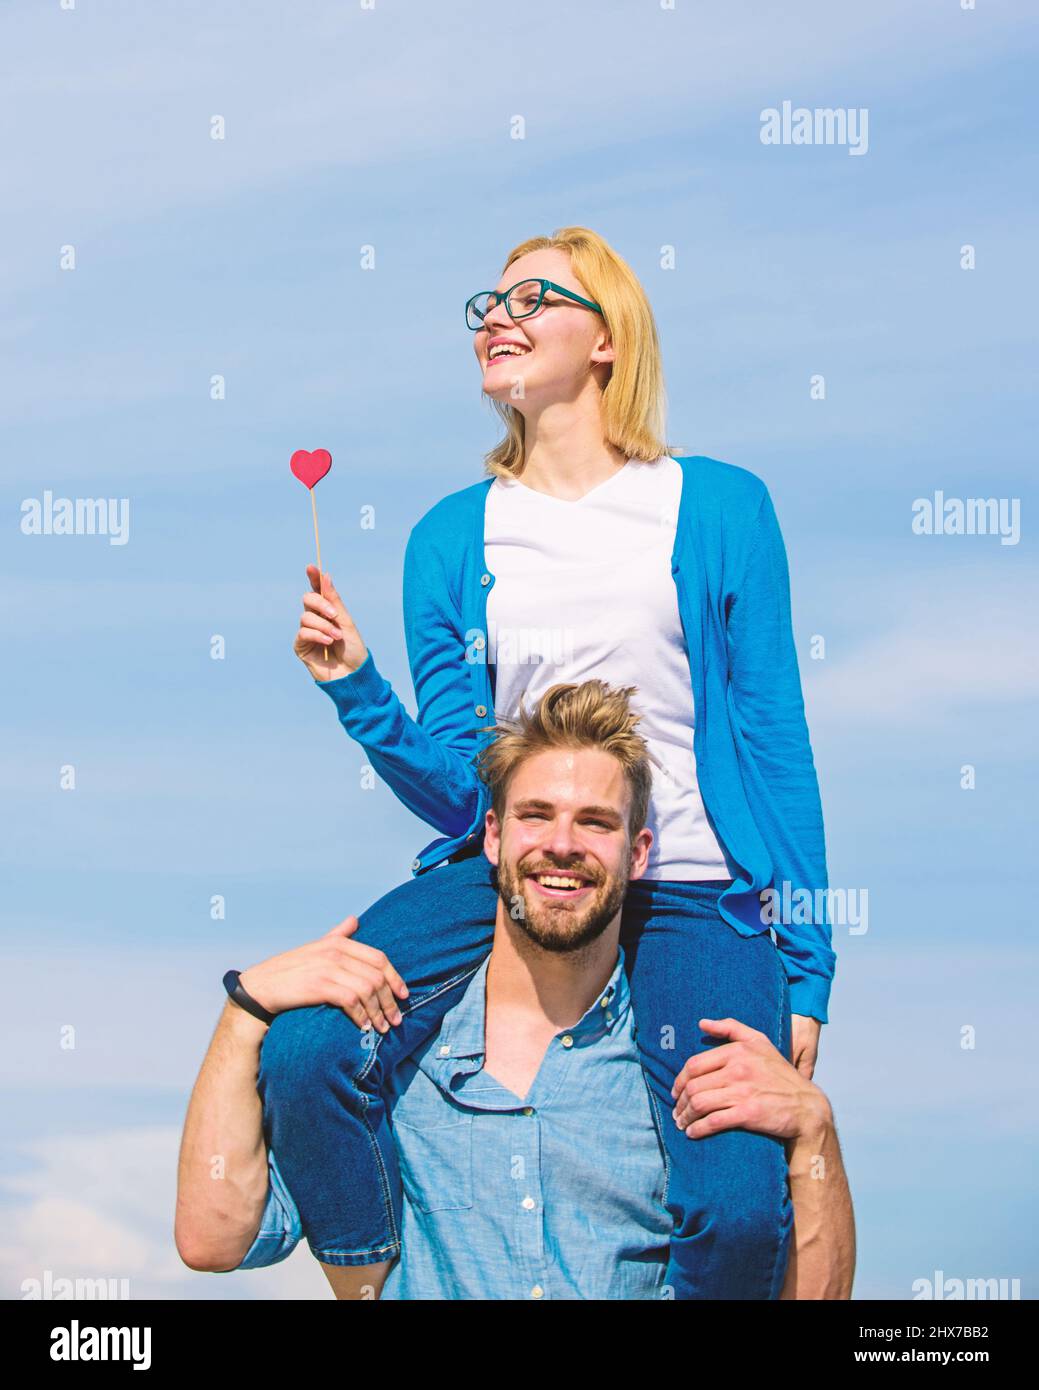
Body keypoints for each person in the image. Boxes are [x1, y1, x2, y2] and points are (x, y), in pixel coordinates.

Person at [271, 225, 835, 1299]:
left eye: (533, 297)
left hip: (695, 892)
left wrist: (806, 964)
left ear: (608, 338)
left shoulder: (718, 507)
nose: (499, 315)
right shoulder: (451, 536)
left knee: (733, 1195)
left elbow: (774, 738)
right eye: (487, 301)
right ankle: (369, 1282)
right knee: (305, 1058)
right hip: (515, 876)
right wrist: (356, 687)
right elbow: (456, 782)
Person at [175, 681, 854, 1299]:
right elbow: (213, 1239)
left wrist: (813, 1133)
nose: (561, 845)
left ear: (638, 852)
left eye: (595, 822)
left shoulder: (683, 1072)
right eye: (535, 815)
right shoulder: (387, 1053)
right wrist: (245, 1009)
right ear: (493, 836)